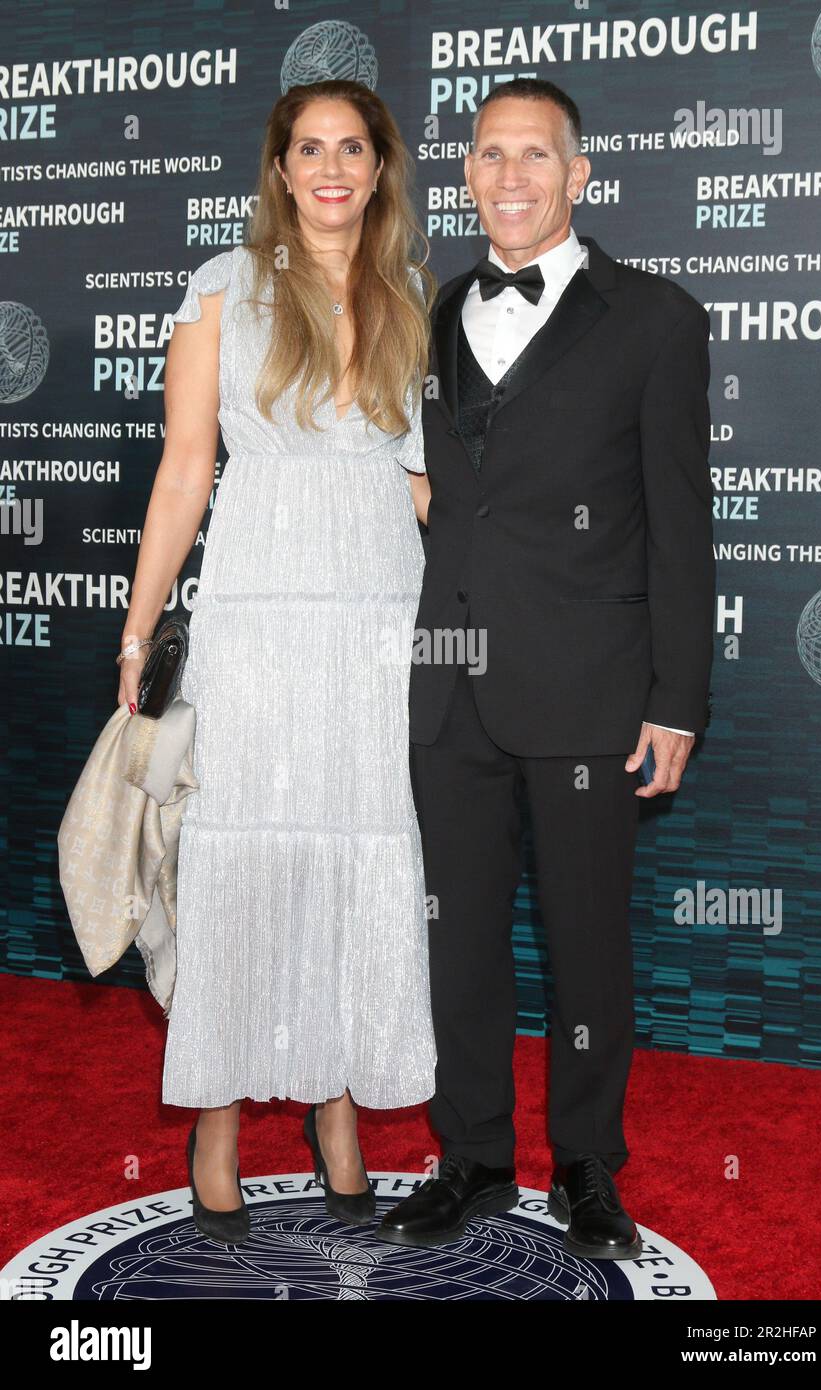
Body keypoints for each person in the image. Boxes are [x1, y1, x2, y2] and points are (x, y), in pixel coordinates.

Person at [378, 78, 715, 1256]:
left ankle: (585, 1166)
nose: (508, 176)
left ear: (579, 176)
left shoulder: (657, 320)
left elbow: (682, 523)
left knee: (585, 941)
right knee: (455, 935)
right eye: (487, 155)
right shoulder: (424, 312)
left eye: (535, 156)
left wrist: (676, 699)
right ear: (463, 172)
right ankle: (470, 1152)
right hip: (447, 677)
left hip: (587, 684)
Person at [117, 78, 437, 1243]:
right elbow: (182, 468)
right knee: (237, 847)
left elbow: (415, 479)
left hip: (371, 611)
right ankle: (213, 1112)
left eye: (353, 146)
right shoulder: (221, 289)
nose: (332, 167)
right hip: (256, 602)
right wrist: (140, 626)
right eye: (310, 148)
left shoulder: (409, 295)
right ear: (279, 167)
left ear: (380, 165)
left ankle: (337, 1101)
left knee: (356, 844)